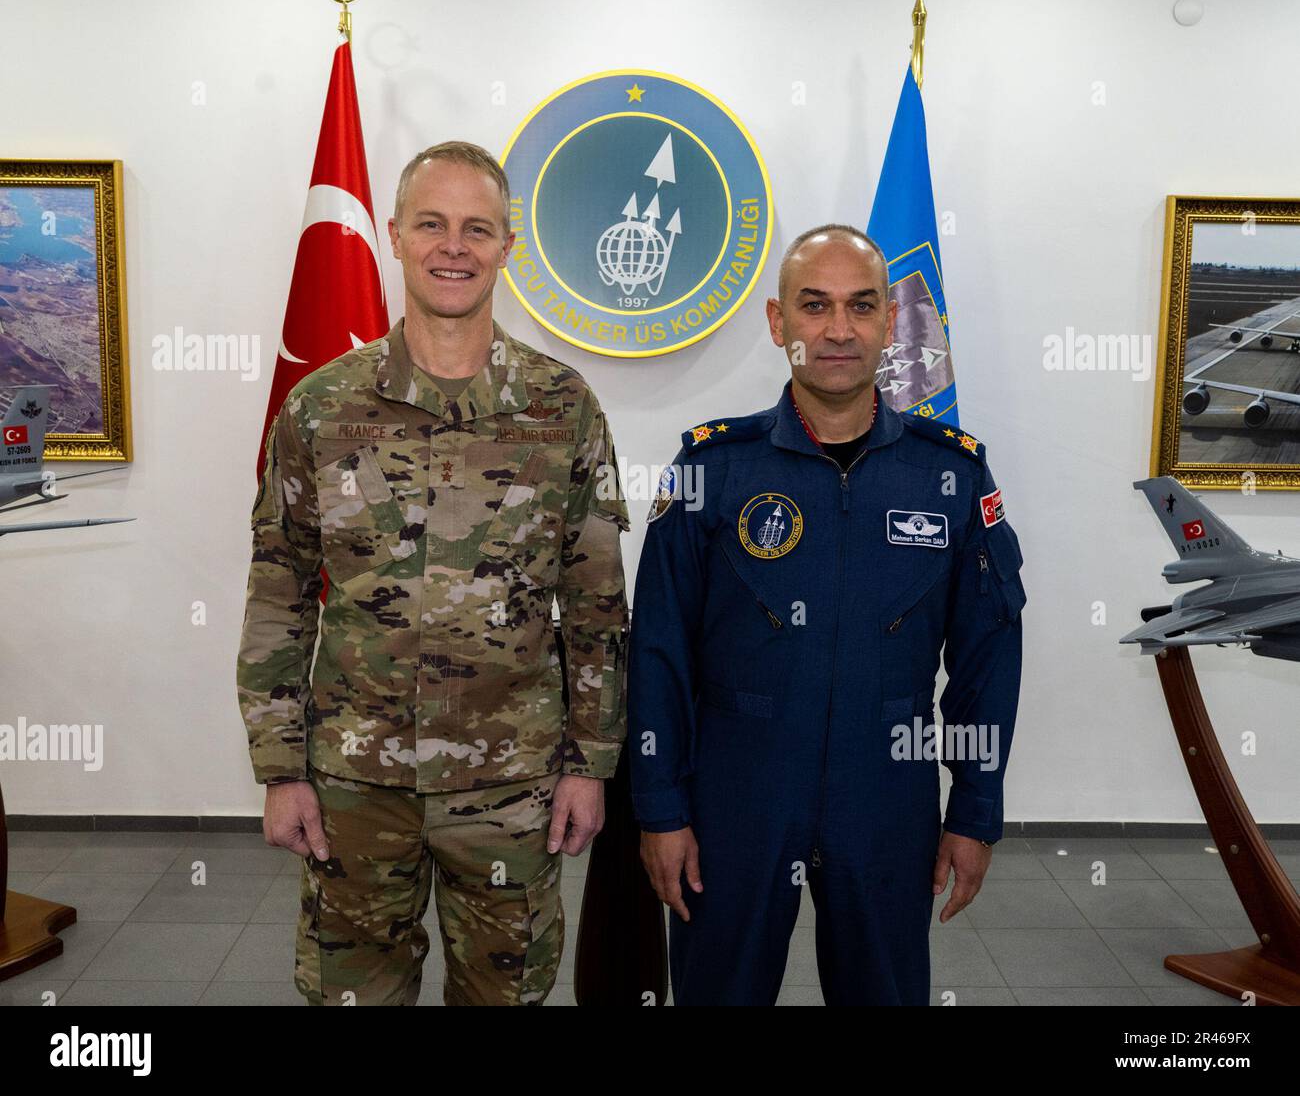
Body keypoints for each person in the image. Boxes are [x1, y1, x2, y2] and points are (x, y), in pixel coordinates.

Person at [236, 141, 630, 1006]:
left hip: (510, 789)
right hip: (353, 784)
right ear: (396, 236)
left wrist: (588, 765)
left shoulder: (561, 408)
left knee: (504, 999)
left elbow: (597, 609)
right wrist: (281, 768)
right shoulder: (321, 407)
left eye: (477, 228)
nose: (454, 246)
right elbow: (280, 595)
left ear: (507, 246)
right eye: (433, 224)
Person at [628, 224, 1025, 1006]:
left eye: (861, 306)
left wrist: (976, 810)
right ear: (779, 324)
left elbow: (987, 659)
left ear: (891, 323)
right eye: (814, 306)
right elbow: (658, 653)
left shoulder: (949, 474)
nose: (837, 330)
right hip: (736, 798)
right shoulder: (713, 469)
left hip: (887, 793)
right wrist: (660, 808)